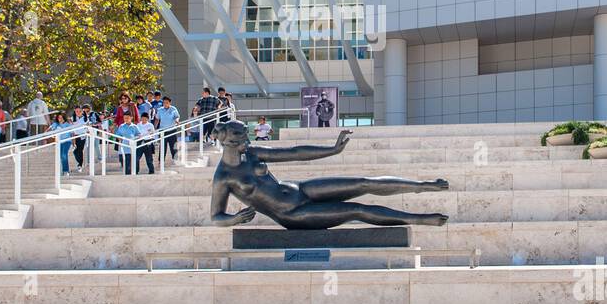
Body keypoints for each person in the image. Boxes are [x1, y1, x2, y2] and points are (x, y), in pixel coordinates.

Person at [209, 121, 448, 229]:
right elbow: (216, 216)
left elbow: (295, 152)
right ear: (228, 142)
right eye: (243, 139)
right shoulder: (224, 177)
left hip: (300, 190)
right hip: (292, 214)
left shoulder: (252, 153)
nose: (248, 142)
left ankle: (424, 185)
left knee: (362, 182)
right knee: (357, 209)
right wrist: (234, 219)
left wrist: (332, 150)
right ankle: (418, 219)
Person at [157, 95, 181, 163]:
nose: (165, 104)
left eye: (167, 102)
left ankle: (175, 159)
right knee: (162, 147)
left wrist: (177, 120)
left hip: (172, 130)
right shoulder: (160, 110)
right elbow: (157, 119)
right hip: (162, 131)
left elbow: (177, 116)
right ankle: (161, 160)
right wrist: (155, 128)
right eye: (164, 103)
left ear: (169, 103)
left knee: (173, 146)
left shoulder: (173, 109)